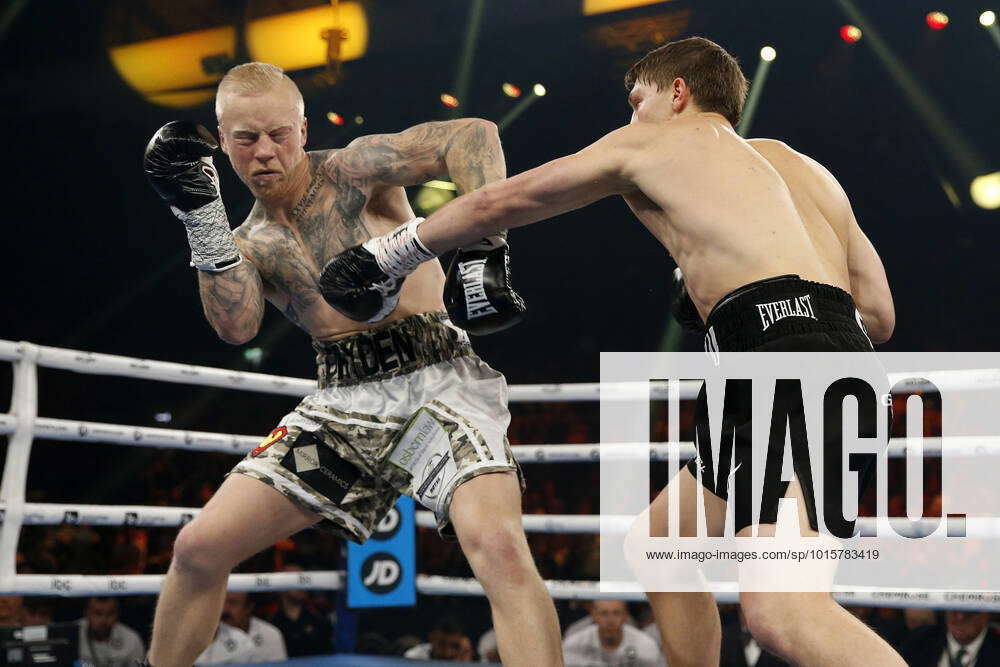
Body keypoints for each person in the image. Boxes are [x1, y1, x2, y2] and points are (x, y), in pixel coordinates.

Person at [320, 36, 901, 667]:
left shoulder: (657, 139)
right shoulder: (802, 168)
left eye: (637, 101)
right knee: (659, 546)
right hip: (816, 360)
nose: (630, 120)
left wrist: (388, 255)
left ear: (677, 93)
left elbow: (502, 199)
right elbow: (878, 314)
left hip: (778, 363)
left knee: (782, 611)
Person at [141, 61, 560, 666]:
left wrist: (482, 246)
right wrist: (200, 221)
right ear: (222, 141)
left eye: (278, 134)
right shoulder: (245, 242)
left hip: (439, 382)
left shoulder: (354, 168)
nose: (264, 152)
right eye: (245, 138)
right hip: (342, 404)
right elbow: (236, 328)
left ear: (303, 130)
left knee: (496, 546)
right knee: (199, 549)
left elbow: (474, 135)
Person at [561, 600, 665, 667]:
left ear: (625, 616)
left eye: (616, 613)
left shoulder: (645, 645)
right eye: (604, 613)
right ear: (594, 616)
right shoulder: (574, 644)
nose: (610, 620)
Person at [900, 610, 1000, 667]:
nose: (959, 619)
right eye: (953, 610)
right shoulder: (921, 640)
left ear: (986, 614)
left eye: (970, 612)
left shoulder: (996, 647)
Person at [78, 597, 146, 666]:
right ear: (87, 613)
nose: (103, 620)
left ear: (117, 614)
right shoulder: (72, 634)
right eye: (97, 613)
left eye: (109, 614)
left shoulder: (132, 640)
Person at [220, 591, 287, 661]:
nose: (224, 609)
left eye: (232, 603)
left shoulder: (270, 635)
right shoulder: (212, 635)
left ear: (249, 607)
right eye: (222, 602)